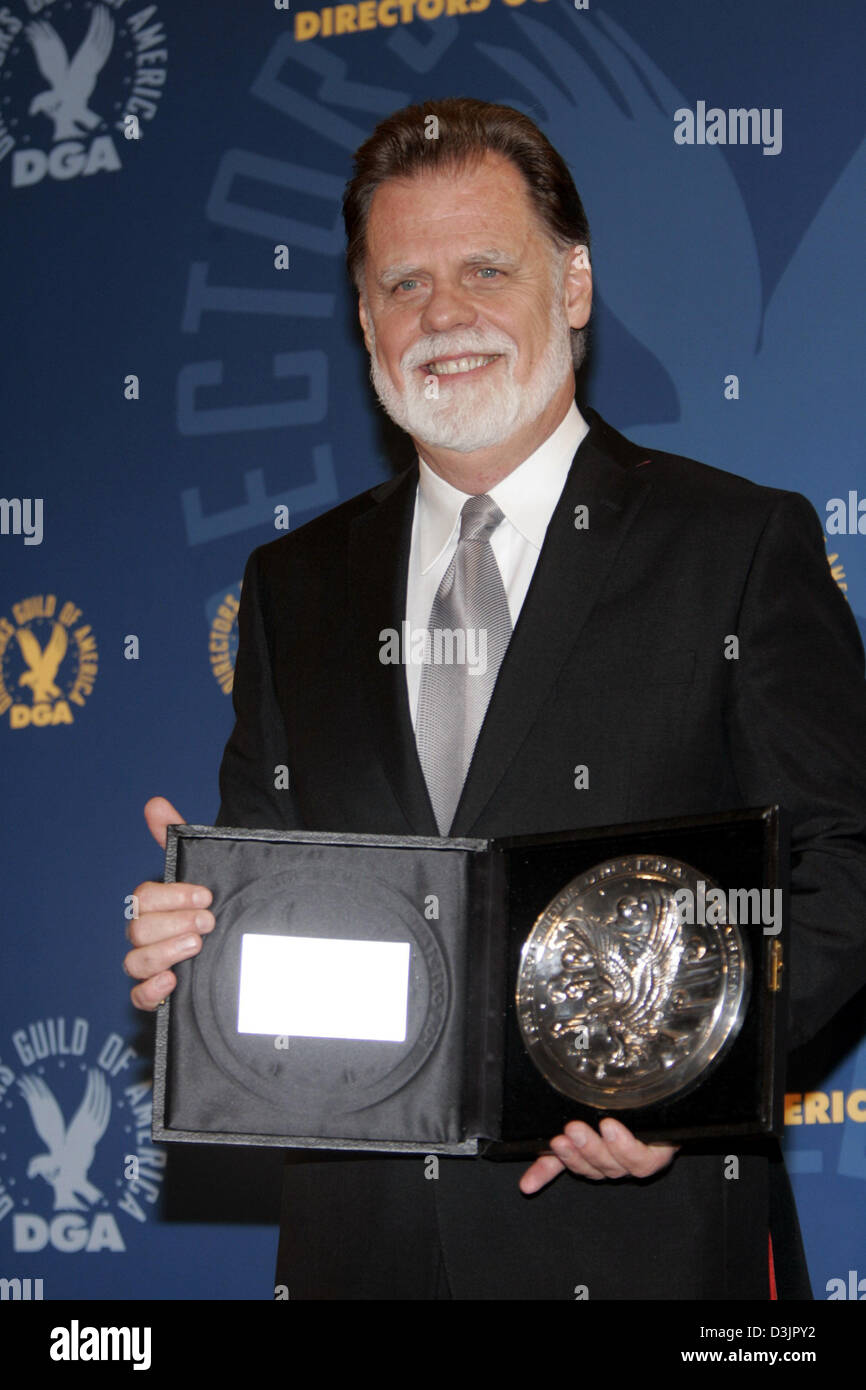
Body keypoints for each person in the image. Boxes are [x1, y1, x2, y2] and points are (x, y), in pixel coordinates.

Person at [124, 98, 866, 1300]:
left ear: (572, 285)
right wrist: (198, 956)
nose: (442, 317)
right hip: (357, 1251)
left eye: (483, 268)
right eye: (402, 283)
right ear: (363, 317)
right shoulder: (290, 585)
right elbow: (282, 898)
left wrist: (683, 1073)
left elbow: (845, 858)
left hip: (641, 1250)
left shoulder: (730, 543)